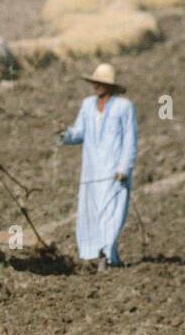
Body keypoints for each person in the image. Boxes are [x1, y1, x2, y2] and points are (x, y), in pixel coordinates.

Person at [58, 62, 137, 270]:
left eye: (101, 83)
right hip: (92, 171)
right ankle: (96, 254)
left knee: (111, 212)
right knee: (91, 212)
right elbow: (78, 133)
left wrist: (124, 168)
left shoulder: (124, 107)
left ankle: (106, 254)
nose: (96, 86)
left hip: (114, 171)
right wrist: (64, 134)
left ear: (110, 86)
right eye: (95, 82)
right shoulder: (87, 105)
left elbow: (130, 140)